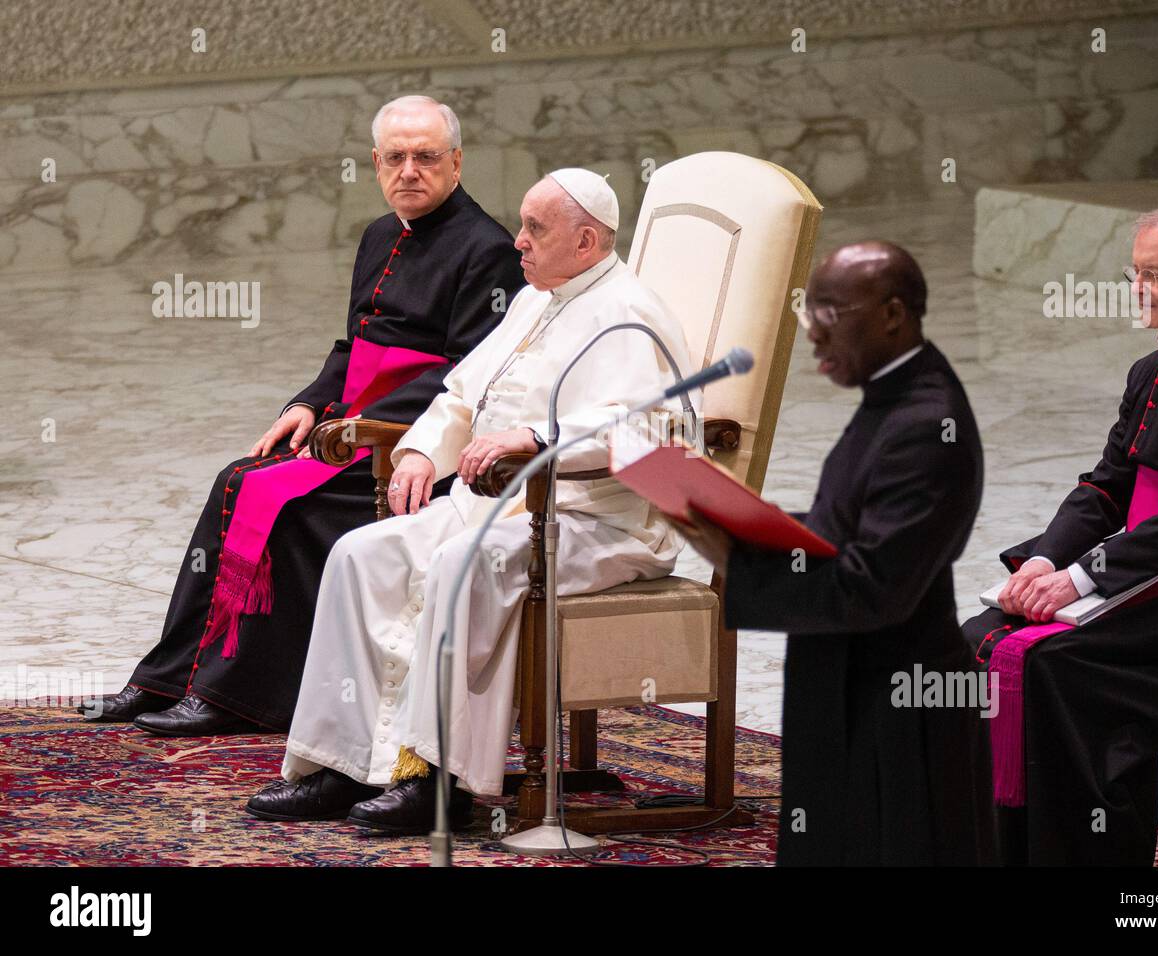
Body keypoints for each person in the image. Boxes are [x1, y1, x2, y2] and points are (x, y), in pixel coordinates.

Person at [245, 169, 696, 834]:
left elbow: (647, 432)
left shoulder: (628, 314)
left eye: (534, 229)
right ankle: (339, 765)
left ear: (586, 241)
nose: (517, 242)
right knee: (360, 554)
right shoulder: (538, 298)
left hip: (598, 519)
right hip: (504, 505)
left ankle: (435, 778)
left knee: (464, 565)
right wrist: (427, 449)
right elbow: (462, 393)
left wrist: (537, 437)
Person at [81, 96, 524, 735]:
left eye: (426, 157)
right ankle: (166, 677)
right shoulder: (379, 235)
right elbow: (354, 346)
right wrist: (309, 404)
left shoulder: (487, 249)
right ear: (375, 163)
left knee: (286, 507)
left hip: (407, 447)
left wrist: (352, 425)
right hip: (349, 423)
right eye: (395, 158)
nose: (409, 170)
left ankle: (237, 696)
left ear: (456, 162)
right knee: (235, 480)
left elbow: (464, 373)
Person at [962, 204, 1158, 865]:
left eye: (1154, 273)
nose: (1137, 287)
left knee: (1053, 665)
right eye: (1133, 271)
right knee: (978, 639)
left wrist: (1077, 580)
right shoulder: (1149, 371)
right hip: (1146, 578)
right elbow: (1106, 490)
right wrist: (1045, 559)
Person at [675, 241, 993, 866]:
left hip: (898, 705)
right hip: (858, 684)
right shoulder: (894, 400)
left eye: (829, 311)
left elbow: (872, 585)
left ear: (893, 315)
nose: (814, 333)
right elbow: (849, 530)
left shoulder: (925, 423)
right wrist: (734, 524)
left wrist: (737, 561)